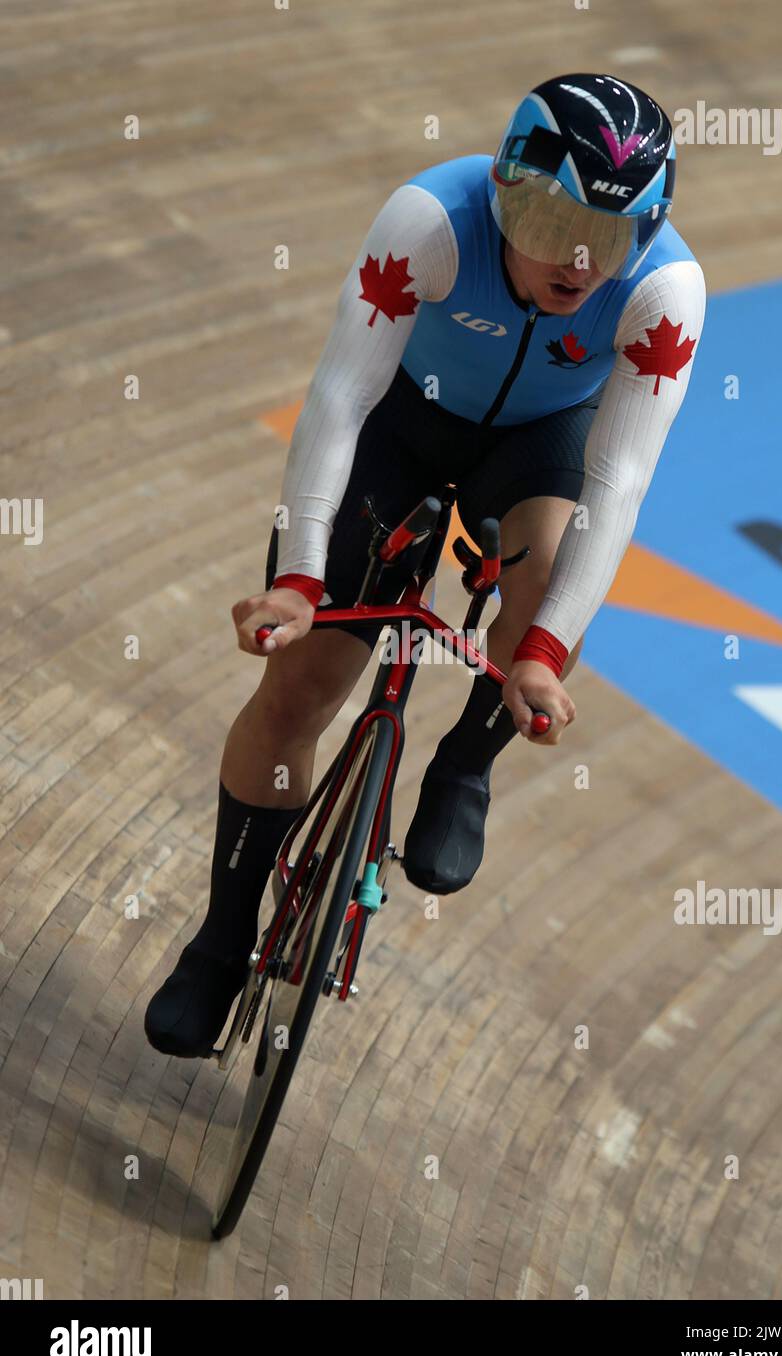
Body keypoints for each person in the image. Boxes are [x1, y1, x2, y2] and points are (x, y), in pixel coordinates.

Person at [145, 73, 706, 1058]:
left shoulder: (663, 293)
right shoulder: (427, 224)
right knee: (300, 690)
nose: (580, 261)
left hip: (536, 447)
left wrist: (537, 651)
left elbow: (616, 486)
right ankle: (220, 944)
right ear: (502, 191)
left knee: (538, 593)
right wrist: (301, 581)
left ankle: (464, 762)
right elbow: (337, 400)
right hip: (400, 426)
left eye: (610, 238)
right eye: (553, 219)